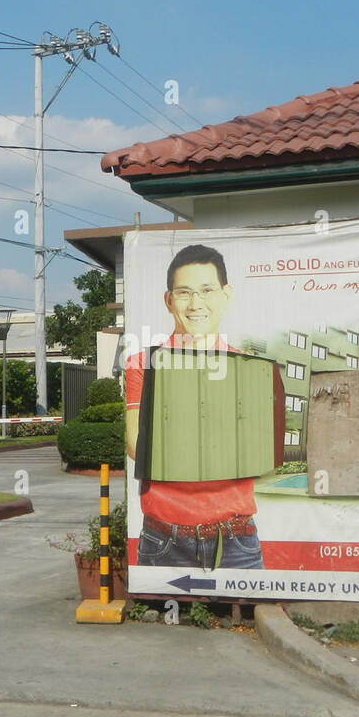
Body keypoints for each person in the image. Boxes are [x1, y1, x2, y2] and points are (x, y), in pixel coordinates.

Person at [125, 244, 264, 570]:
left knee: (243, 620)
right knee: (157, 623)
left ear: (225, 295)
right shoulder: (143, 363)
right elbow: (136, 445)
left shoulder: (247, 367)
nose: (196, 303)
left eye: (207, 291)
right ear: (169, 300)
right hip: (163, 540)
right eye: (184, 292)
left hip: (236, 540)